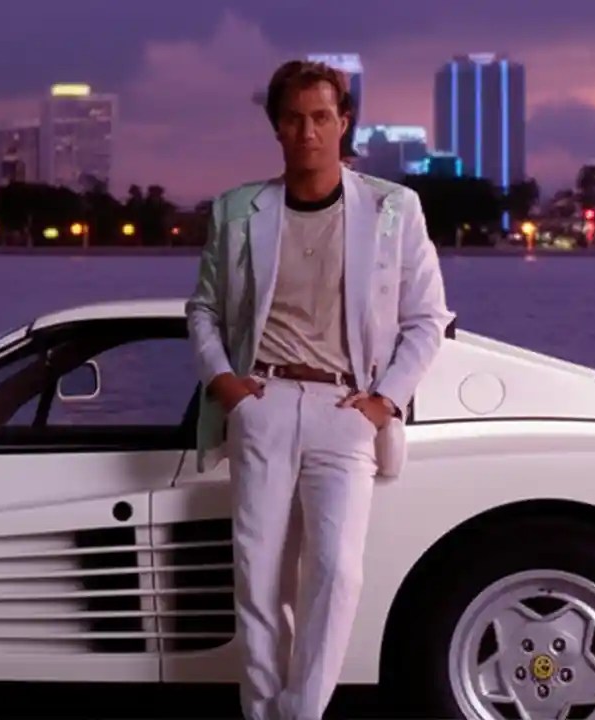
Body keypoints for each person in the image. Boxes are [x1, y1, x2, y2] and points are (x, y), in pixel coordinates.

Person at [185, 59, 453, 720]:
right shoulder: (238, 210)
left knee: (337, 572)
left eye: (321, 117)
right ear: (277, 127)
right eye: (294, 119)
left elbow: (427, 318)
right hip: (263, 402)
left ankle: (301, 711)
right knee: (258, 576)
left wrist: (384, 401)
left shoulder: (393, 209)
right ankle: (262, 710)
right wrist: (226, 385)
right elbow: (203, 310)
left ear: (344, 123)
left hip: (346, 408)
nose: (308, 131)